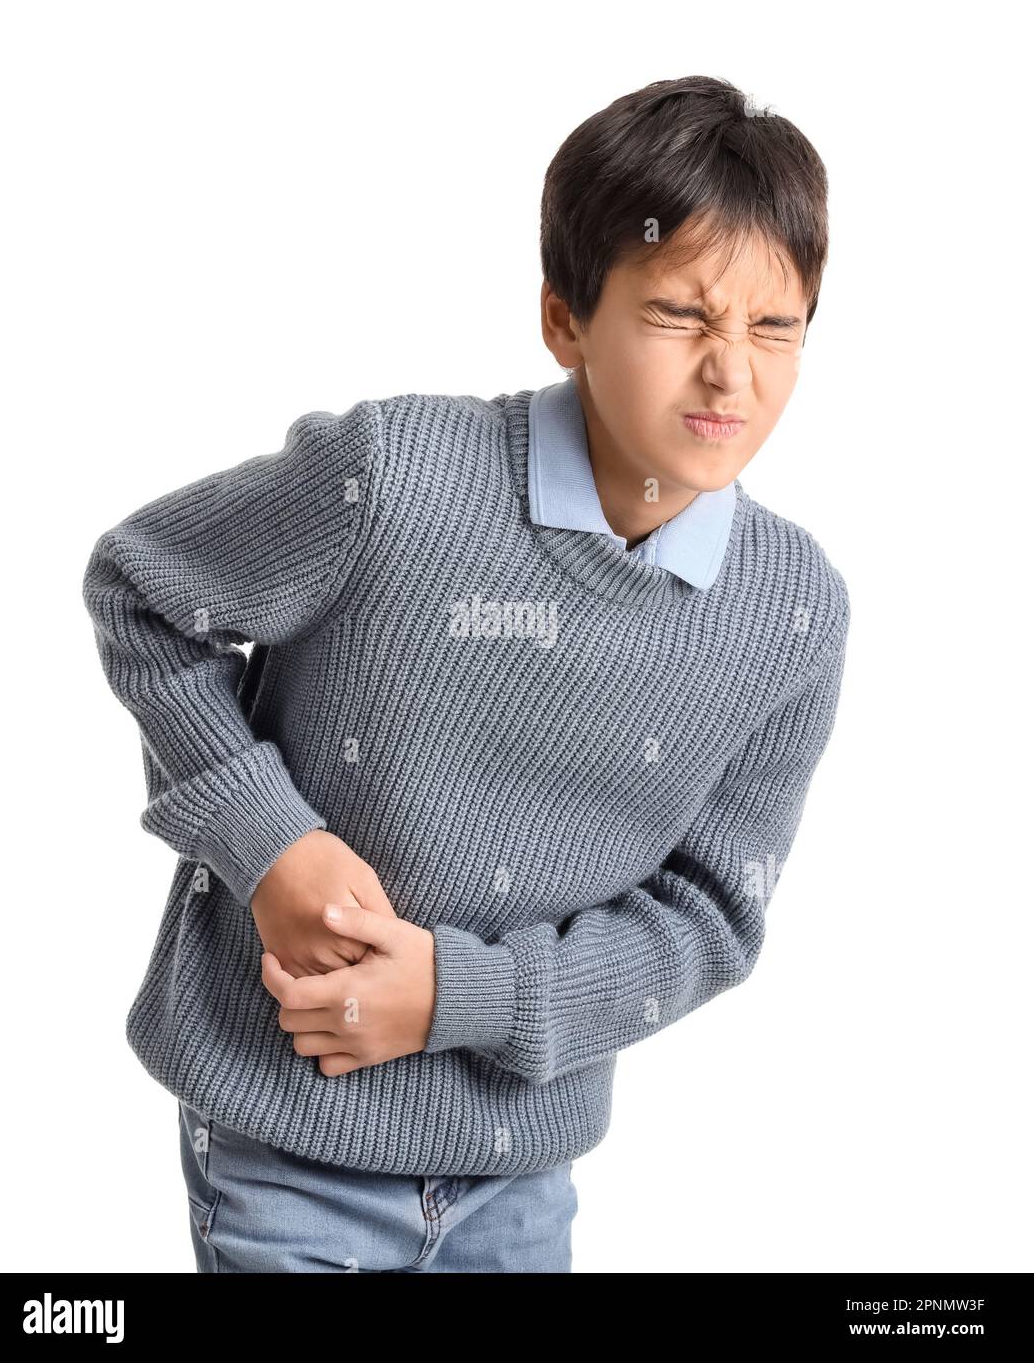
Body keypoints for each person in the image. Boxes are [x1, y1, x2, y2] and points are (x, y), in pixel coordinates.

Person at [81, 74, 850, 1273]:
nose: (728, 374)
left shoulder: (791, 614)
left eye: (772, 327)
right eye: (678, 316)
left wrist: (460, 995)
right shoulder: (392, 477)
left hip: (519, 1173)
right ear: (563, 318)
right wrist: (270, 842)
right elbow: (144, 590)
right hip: (286, 1140)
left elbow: (705, 918)